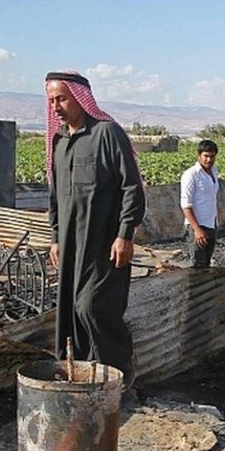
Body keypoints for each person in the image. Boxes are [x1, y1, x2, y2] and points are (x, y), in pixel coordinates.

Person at [45, 70, 146, 382]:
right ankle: (83, 376)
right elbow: (55, 196)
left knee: (94, 308)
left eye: (61, 98)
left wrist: (125, 235)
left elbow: (132, 186)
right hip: (70, 245)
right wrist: (55, 238)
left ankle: (117, 374)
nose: (55, 106)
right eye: (50, 100)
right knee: (71, 312)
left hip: (104, 244)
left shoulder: (107, 133)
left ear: (79, 97)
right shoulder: (59, 141)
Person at [180, 139, 220, 268]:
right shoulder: (191, 175)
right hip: (197, 226)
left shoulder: (214, 171)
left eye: (212, 156)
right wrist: (197, 230)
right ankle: (195, 288)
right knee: (198, 265)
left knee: (206, 263)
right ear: (199, 156)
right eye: (206, 156)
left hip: (211, 224)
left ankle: (205, 288)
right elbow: (186, 205)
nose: (209, 160)